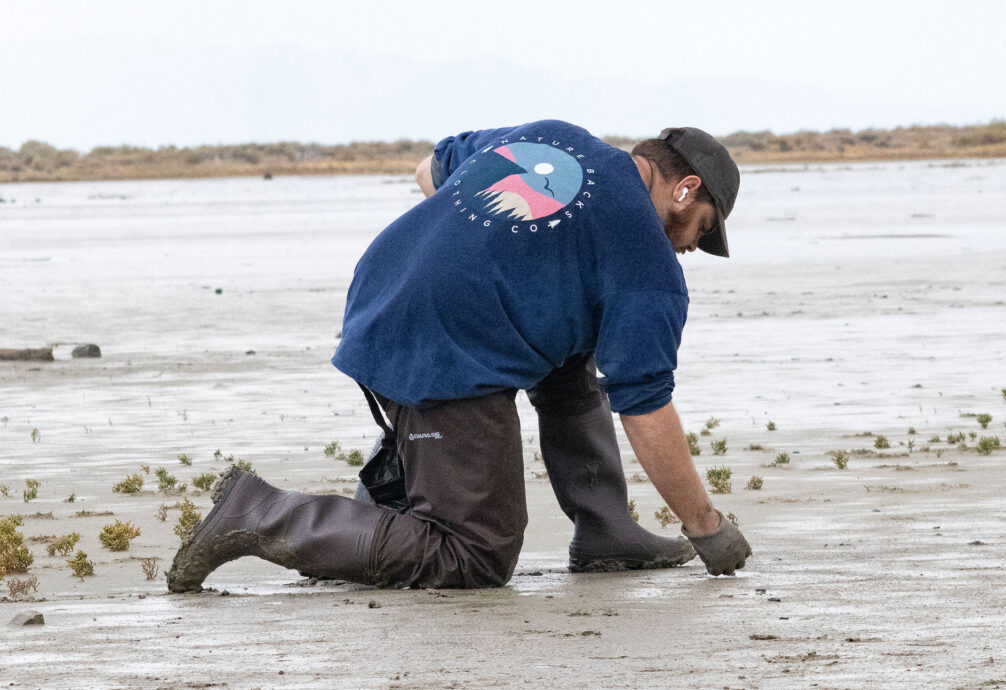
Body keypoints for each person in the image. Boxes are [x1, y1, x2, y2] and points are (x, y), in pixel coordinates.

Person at [167, 120, 752, 593]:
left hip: (382, 294)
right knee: (473, 554)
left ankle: (607, 530)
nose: (688, 247)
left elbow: (431, 167)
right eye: (699, 231)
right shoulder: (645, 257)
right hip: (442, 344)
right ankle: (262, 513)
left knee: (575, 351)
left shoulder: (553, 138)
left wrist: (497, 252)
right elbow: (645, 403)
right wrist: (706, 527)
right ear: (687, 188)